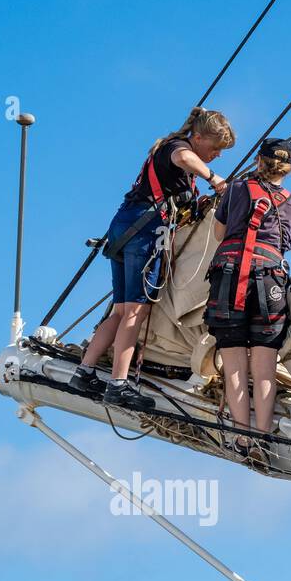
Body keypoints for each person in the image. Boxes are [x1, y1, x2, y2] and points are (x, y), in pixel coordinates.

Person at [70, 107, 236, 411]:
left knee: (120, 312)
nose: (217, 156)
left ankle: (84, 372)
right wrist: (215, 179)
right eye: (214, 149)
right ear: (197, 137)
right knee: (135, 313)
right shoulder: (178, 149)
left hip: (125, 227)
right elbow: (184, 158)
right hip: (145, 232)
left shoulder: (170, 153)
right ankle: (119, 385)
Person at [204, 138, 291, 455]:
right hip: (270, 283)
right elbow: (284, 245)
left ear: (259, 161)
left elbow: (219, 233)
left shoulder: (235, 189)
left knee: (234, 365)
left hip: (230, 278)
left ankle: (242, 436)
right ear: (288, 169)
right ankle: (263, 437)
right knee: (264, 369)